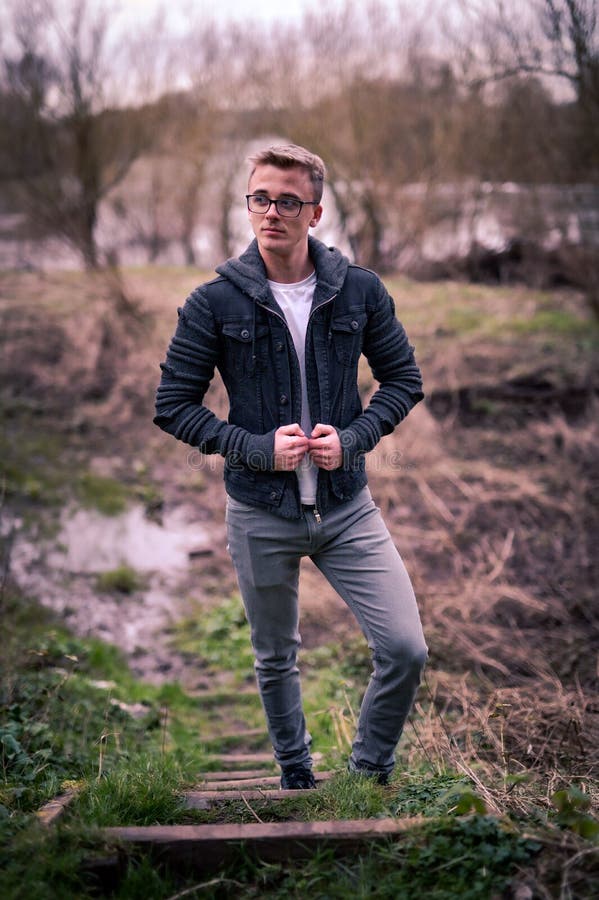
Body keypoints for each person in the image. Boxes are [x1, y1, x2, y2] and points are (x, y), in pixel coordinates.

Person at [154, 144, 427, 788]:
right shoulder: (213, 302)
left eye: (287, 201)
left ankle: (367, 776)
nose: (271, 212)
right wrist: (255, 448)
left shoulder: (358, 290)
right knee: (275, 657)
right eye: (260, 199)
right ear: (248, 205)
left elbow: (403, 381)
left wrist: (354, 438)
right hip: (260, 510)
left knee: (405, 649)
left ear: (315, 213)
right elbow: (173, 406)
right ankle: (296, 777)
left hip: (346, 507)